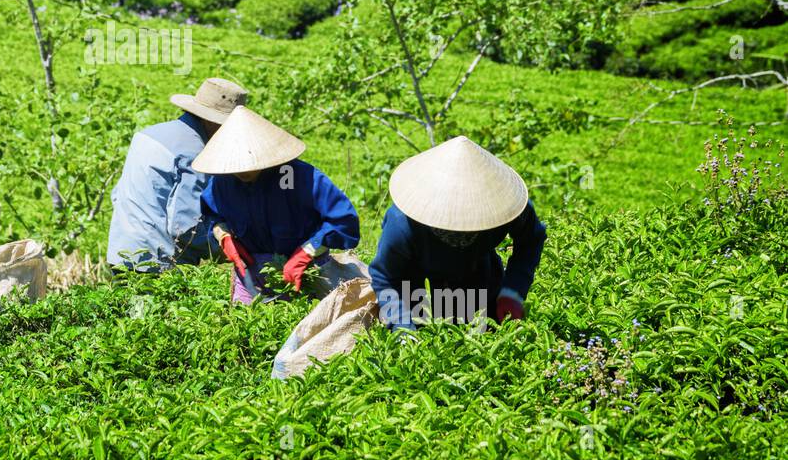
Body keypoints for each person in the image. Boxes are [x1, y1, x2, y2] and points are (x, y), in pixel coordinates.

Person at [368, 135, 547, 332]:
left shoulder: (507, 206)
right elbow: (386, 276)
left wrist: (512, 291)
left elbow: (531, 240)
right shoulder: (403, 223)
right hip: (413, 277)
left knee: (482, 331)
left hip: (479, 272)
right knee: (415, 327)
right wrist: (402, 329)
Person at [194, 106, 362, 304]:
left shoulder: (301, 178)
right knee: (249, 325)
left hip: (308, 270)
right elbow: (212, 214)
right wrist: (224, 236)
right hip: (251, 272)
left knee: (310, 325)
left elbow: (344, 222)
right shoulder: (222, 183)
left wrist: (307, 251)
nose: (242, 172)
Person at [107, 77, 249, 270]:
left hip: (122, 250)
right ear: (213, 122)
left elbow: (117, 194)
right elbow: (186, 227)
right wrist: (229, 247)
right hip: (157, 262)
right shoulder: (196, 153)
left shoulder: (149, 133)